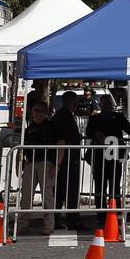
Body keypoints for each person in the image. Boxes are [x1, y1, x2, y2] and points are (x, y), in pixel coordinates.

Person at [85, 91, 130, 224]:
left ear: (112, 105)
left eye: (109, 104)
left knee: (115, 185)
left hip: (115, 157)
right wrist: (96, 134)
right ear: (100, 105)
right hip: (99, 157)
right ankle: (101, 213)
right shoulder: (94, 118)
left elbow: (129, 128)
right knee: (100, 186)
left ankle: (115, 212)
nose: (106, 106)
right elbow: (88, 132)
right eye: (104, 104)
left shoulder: (118, 117)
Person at [18, 101, 61, 235]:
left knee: (47, 196)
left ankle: (48, 225)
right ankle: (22, 224)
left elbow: (61, 144)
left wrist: (56, 165)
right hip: (30, 163)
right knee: (26, 196)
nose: (33, 113)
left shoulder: (51, 127)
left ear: (43, 113)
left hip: (46, 163)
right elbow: (23, 146)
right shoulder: (30, 127)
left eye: (36, 110)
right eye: (34, 110)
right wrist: (21, 163)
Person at [51, 89, 84, 230]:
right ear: (69, 102)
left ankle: (60, 217)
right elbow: (66, 137)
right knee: (67, 189)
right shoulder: (63, 115)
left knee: (62, 189)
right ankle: (70, 218)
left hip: (66, 158)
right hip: (66, 158)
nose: (77, 104)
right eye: (75, 101)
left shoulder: (64, 115)